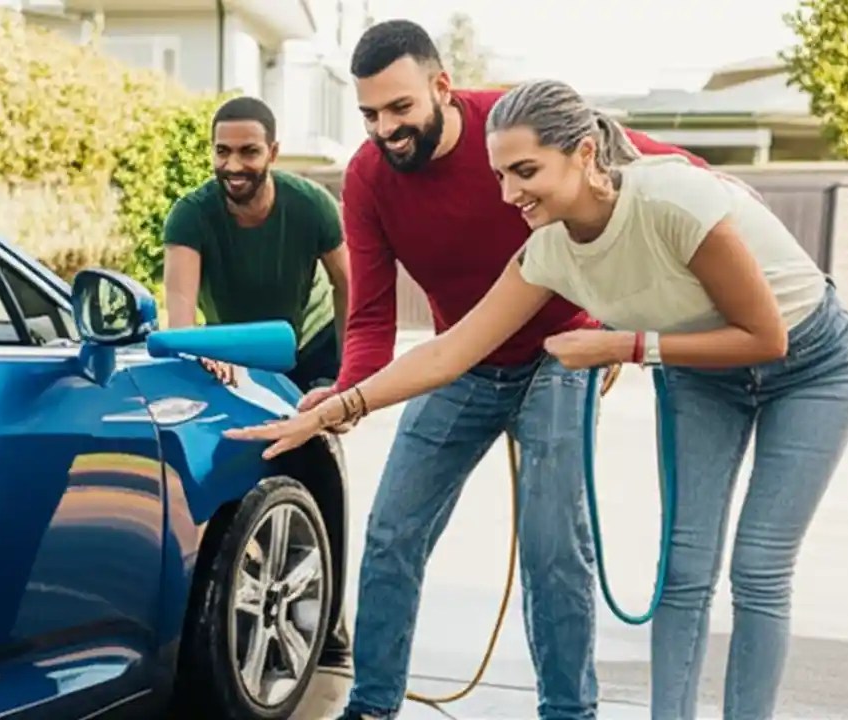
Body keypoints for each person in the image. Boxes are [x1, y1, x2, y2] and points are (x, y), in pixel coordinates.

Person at [228, 77, 848, 720]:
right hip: (703, 374)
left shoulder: (672, 199)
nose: (509, 194)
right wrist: (338, 408)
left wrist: (622, 347)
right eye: (501, 174)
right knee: (685, 572)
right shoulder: (550, 251)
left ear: (584, 154)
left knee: (755, 568)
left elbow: (766, 336)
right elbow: (449, 352)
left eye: (524, 171)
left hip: (808, 364)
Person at [277, 19, 710, 720]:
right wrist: (350, 394)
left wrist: (614, 327)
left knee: (553, 548)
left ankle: (569, 711)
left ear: (442, 86)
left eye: (400, 108)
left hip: (560, 356)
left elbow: (654, 166)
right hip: (463, 361)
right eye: (369, 114)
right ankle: (373, 704)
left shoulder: (508, 129)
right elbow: (371, 318)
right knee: (391, 533)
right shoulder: (365, 178)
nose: (385, 129)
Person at [162, 95, 349, 392]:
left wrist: (347, 366)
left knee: (311, 432)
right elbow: (180, 315)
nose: (233, 165)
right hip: (230, 352)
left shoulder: (312, 205)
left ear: (273, 153)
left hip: (308, 345)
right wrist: (202, 355)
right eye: (222, 152)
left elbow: (348, 285)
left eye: (249, 152)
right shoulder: (190, 216)